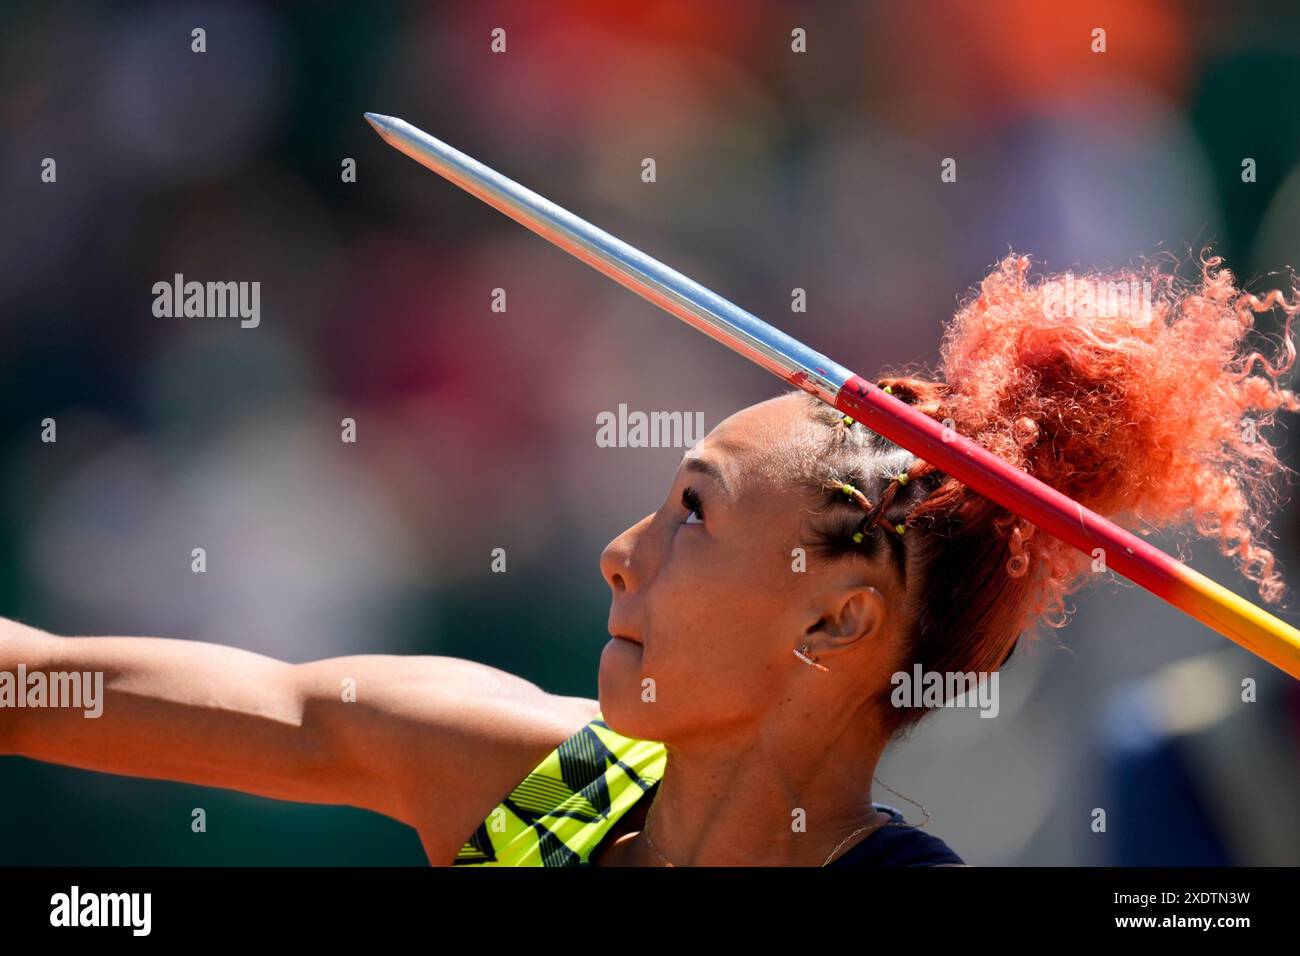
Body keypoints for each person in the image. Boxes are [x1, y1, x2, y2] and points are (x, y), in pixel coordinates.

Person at [2, 251, 1295, 867]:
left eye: (693, 513)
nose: (623, 557)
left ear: (837, 627)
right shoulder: (530, 784)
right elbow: (47, 683)